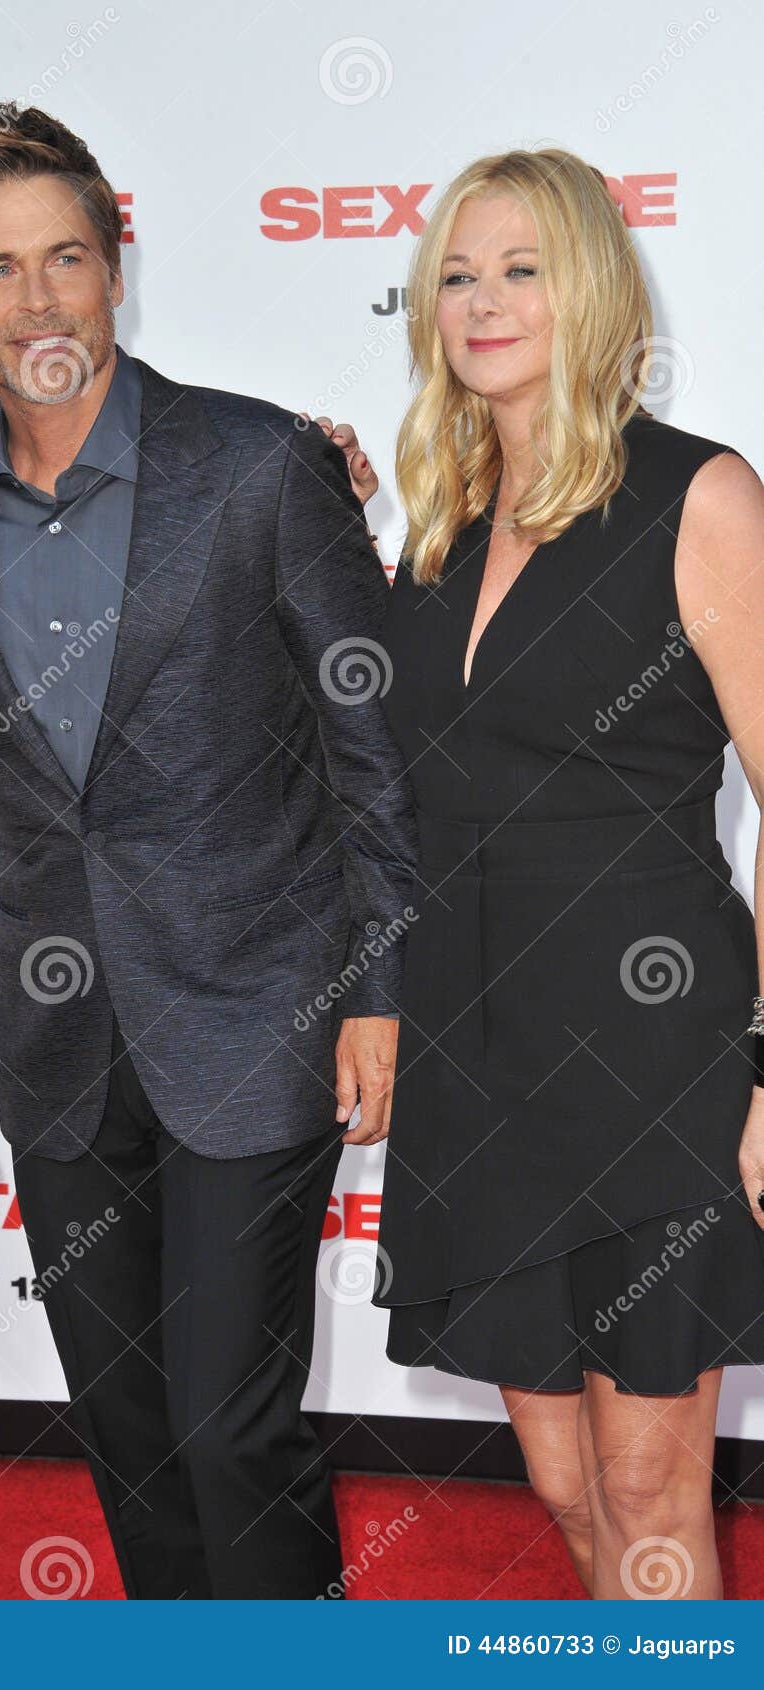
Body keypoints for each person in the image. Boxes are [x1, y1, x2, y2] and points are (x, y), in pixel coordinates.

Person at [0, 102, 417, 1600]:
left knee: (226, 1418)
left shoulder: (256, 465)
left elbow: (368, 749)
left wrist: (378, 988)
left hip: (259, 1001)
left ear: (115, 271)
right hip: (55, 1027)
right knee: (122, 1418)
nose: (35, 298)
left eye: (64, 257)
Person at [343, 145, 764, 1601]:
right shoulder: (436, 522)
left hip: (653, 1057)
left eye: (519, 267)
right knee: (566, 1488)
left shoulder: (696, 495)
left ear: (586, 284)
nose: (481, 299)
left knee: (652, 1493)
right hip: (475, 1058)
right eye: (456, 272)